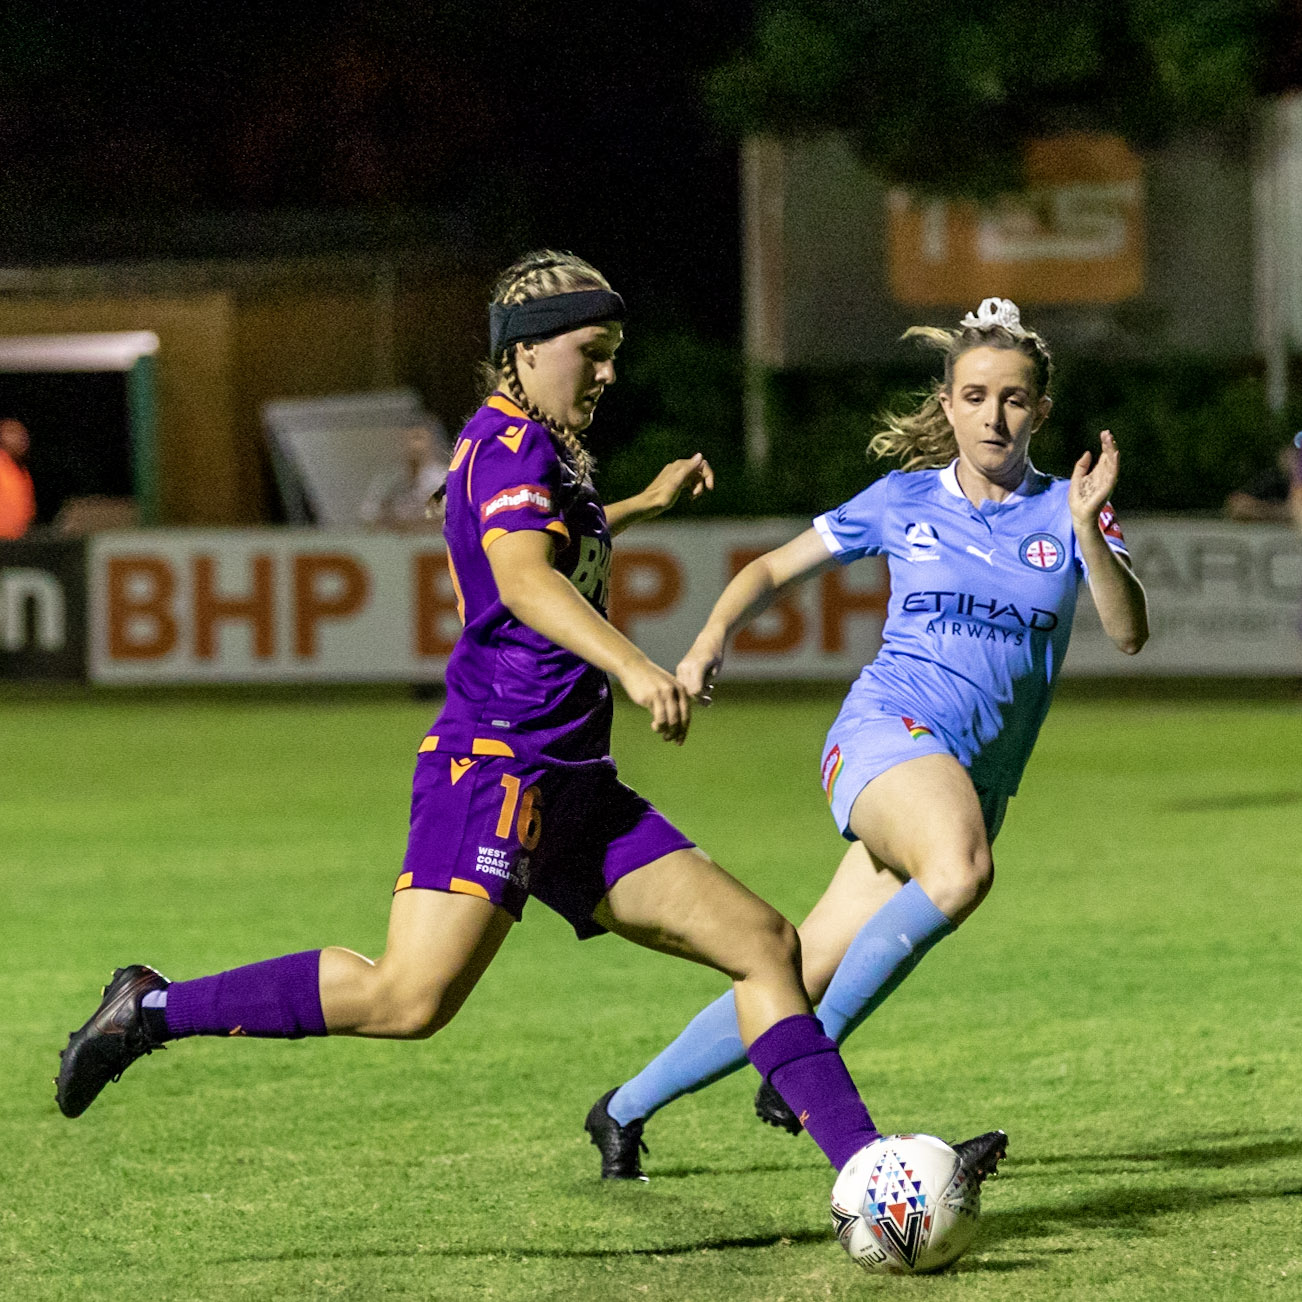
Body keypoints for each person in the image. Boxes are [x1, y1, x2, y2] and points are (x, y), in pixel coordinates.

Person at [56, 250, 950, 1193]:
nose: (608, 373)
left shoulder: (533, 451)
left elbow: (542, 548)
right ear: (525, 351)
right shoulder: (510, 444)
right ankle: (150, 1010)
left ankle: (869, 1174)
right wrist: (634, 665)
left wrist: (638, 505)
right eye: (591, 351)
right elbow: (523, 579)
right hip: (496, 769)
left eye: (612, 352)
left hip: (573, 784)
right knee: (407, 998)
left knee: (764, 945)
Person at [588, 296, 1148, 1172]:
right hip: (888, 733)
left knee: (800, 969)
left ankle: (621, 1110)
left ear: (1040, 411)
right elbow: (772, 568)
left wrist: (1086, 528)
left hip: (973, 778)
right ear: (948, 404)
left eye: (1013, 398)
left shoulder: (1071, 510)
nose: (993, 416)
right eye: (974, 396)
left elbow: (1128, 631)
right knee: (959, 872)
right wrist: (708, 641)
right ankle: (810, 1067)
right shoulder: (903, 500)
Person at [358, 423, 449, 531]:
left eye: (419, 438)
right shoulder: (387, 479)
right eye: (408, 439)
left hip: (435, 538)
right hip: (398, 538)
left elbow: (454, 517)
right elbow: (368, 515)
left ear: (432, 444)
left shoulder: (445, 478)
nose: (413, 445)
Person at [0, 417, 35, 540]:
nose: (21, 438)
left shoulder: (21, 470)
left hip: (16, 542)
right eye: (12, 432)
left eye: (23, 435)